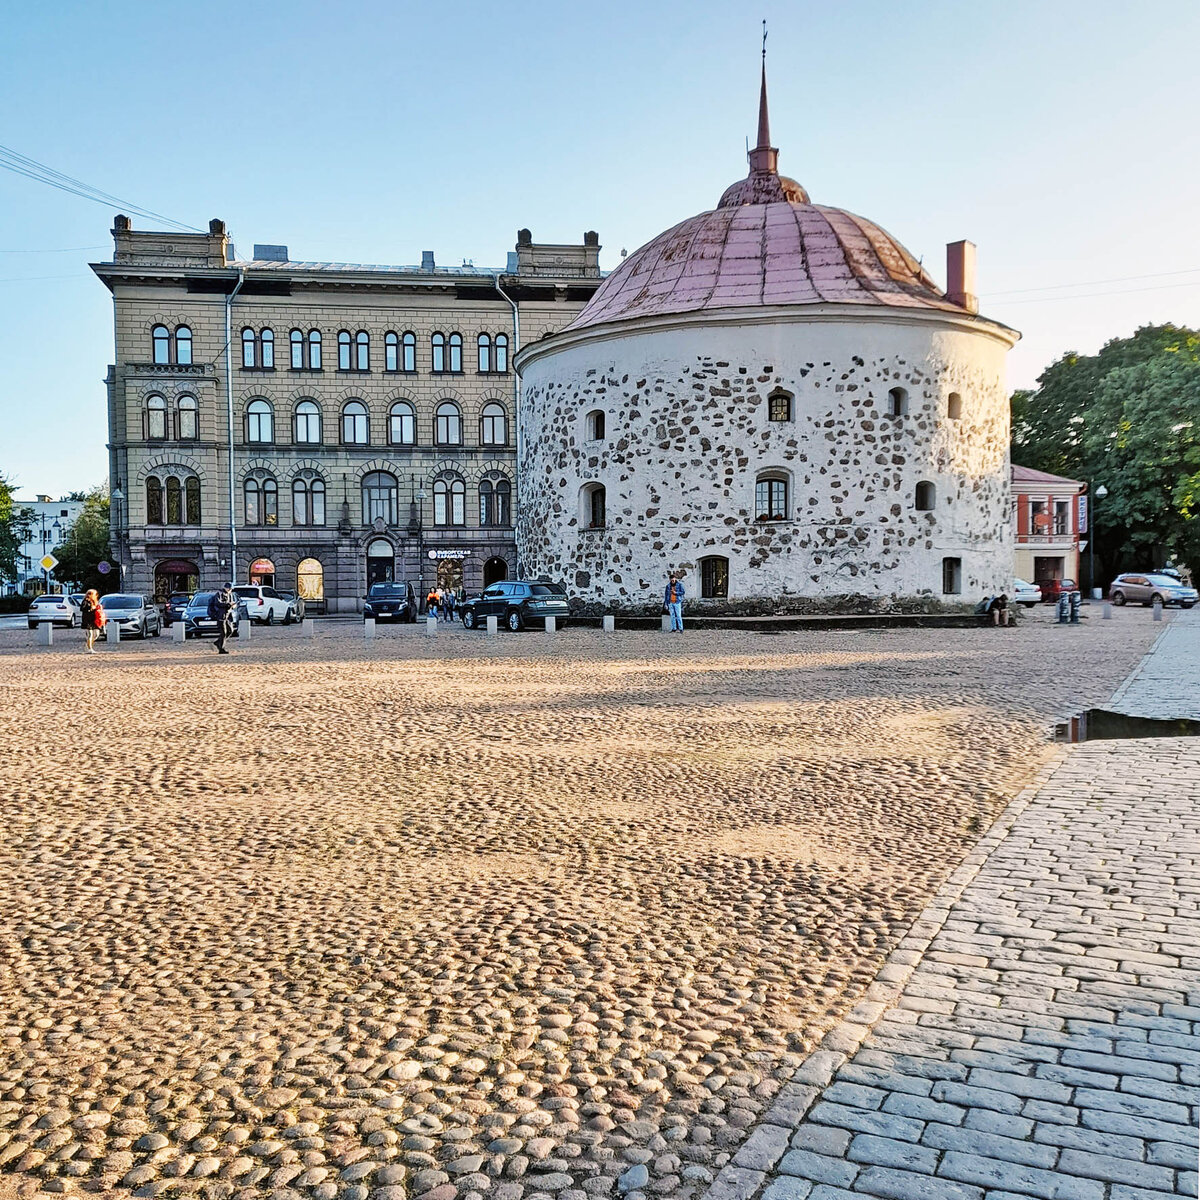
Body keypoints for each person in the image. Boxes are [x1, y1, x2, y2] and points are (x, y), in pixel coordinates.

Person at [209, 585, 235, 654]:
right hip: (220, 616)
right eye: (229, 588)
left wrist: (233, 605)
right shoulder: (219, 594)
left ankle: (218, 642)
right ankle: (221, 648)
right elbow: (217, 603)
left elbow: (231, 603)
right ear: (226, 588)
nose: (230, 590)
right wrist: (227, 604)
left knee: (230, 630)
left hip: (228, 616)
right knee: (223, 632)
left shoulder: (230, 595)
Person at [80, 588, 103, 653]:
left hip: (94, 620)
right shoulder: (85, 601)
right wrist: (90, 608)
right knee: (90, 634)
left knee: (96, 634)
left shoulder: (95, 601)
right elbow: (82, 608)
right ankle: (90, 648)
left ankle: (88, 645)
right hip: (88, 620)